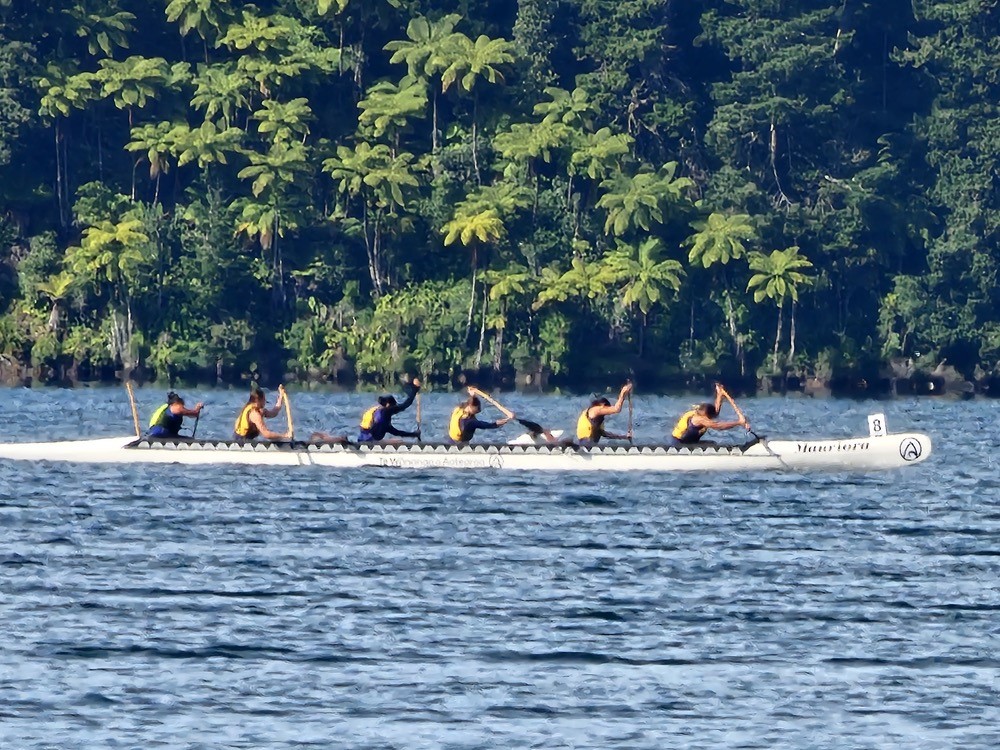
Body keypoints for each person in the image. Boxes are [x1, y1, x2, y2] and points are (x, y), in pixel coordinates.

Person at [671, 384, 748, 445]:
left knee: (711, 443)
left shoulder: (701, 412)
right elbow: (718, 426)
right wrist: (739, 422)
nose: (710, 419)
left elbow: (715, 412)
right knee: (712, 444)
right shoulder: (699, 419)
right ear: (706, 415)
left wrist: (720, 395)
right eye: (709, 417)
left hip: (687, 442)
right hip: (678, 444)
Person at [358, 378, 421, 442]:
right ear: (388, 405)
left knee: (396, 441)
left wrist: (413, 434)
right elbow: (405, 405)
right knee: (399, 442)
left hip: (362, 439)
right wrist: (414, 391)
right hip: (370, 441)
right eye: (394, 406)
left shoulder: (377, 410)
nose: (395, 409)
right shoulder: (385, 413)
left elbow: (393, 431)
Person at [448, 395, 513, 443]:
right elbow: (485, 425)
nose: (478, 411)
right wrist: (499, 423)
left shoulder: (458, 409)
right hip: (460, 444)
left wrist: (473, 395)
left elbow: (470, 402)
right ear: (470, 406)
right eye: (476, 410)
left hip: (450, 441)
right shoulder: (470, 422)